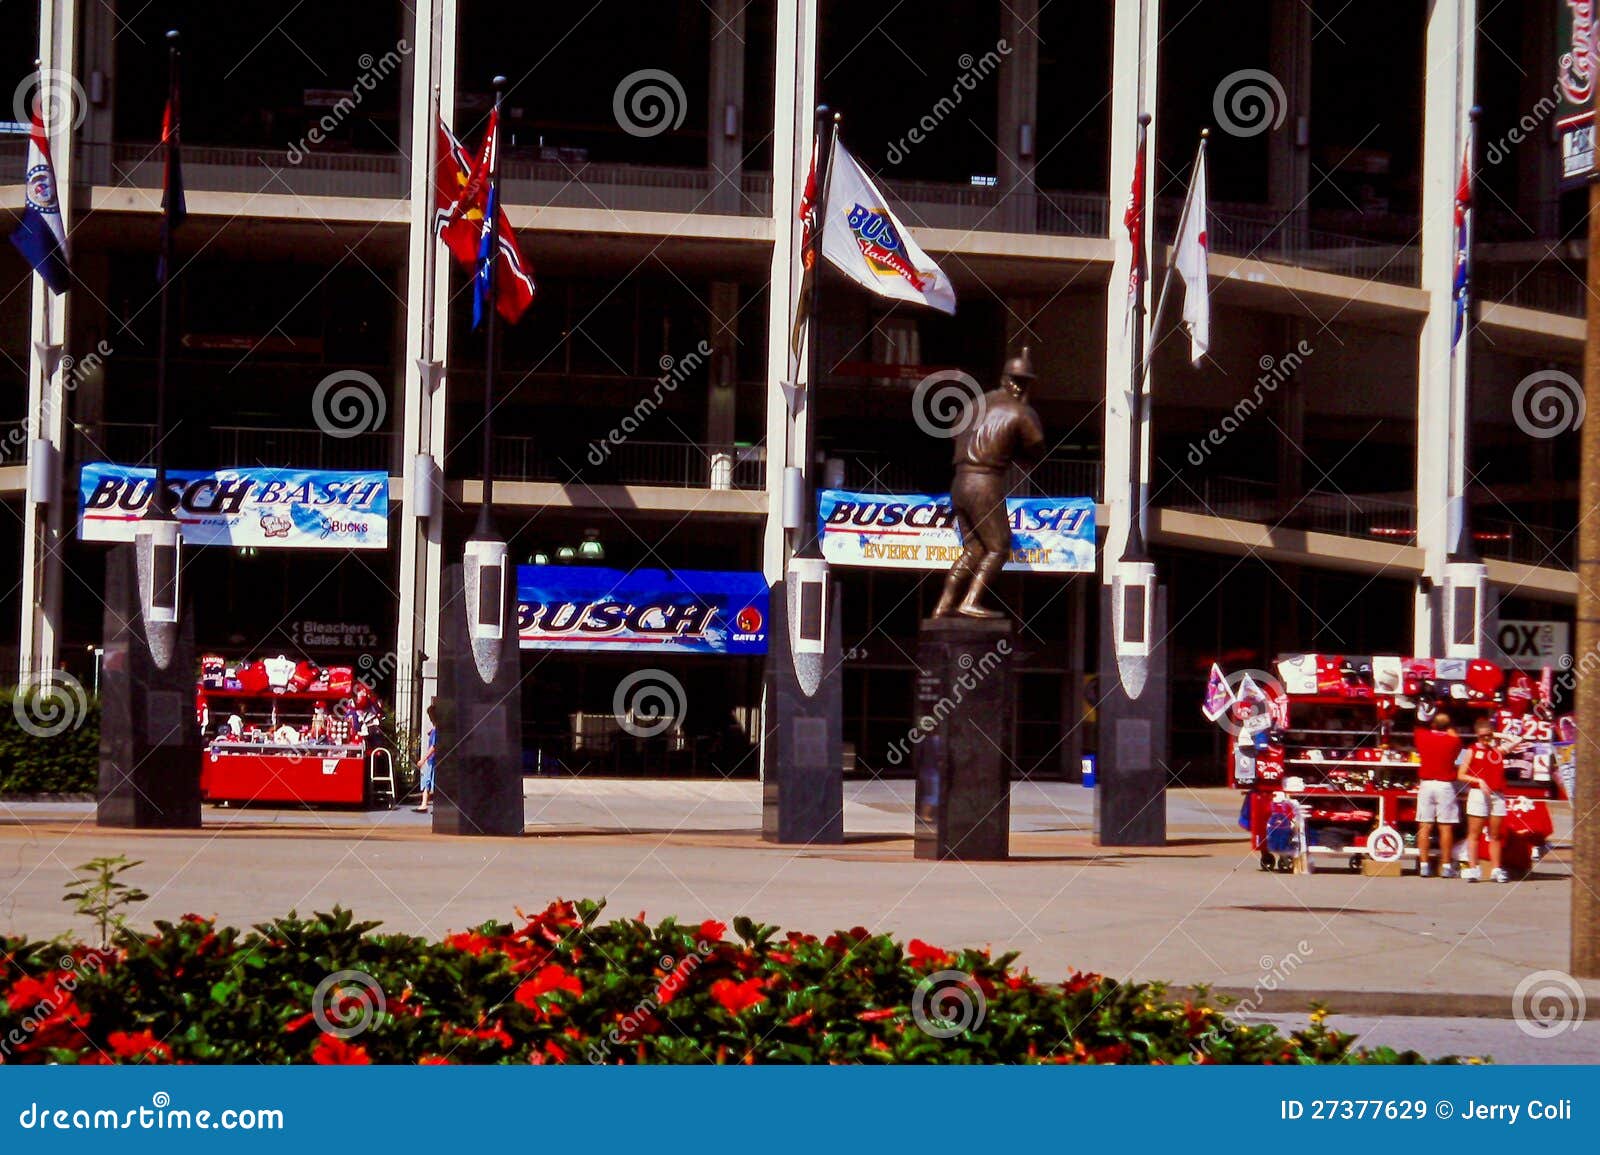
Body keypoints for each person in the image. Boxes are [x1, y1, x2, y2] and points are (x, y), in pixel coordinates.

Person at [1412, 703, 1462, 878]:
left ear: (1433, 725)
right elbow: (1455, 738)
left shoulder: (1423, 737)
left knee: (1424, 825)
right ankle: (1446, 866)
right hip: (1445, 785)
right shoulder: (1454, 741)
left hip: (1426, 784)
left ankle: (1424, 865)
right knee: (1445, 827)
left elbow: (1420, 725)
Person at [1459, 717, 1511, 883]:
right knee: (1474, 833)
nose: (1485, 739)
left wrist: (1496, 734)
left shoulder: (1497, 751)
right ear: (1477, 736)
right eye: (1482, 736)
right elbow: (1461, 774)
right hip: (1478, 794)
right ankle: (1473, 867)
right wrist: (1478, 780)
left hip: (1497, 794)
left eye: (1488, 735)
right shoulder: (1472, 750)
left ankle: (1496, 868)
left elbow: (1517, 740)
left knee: (1495, 834)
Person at [415, 702, 438, 813]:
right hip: (432, 760)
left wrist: (423, 759)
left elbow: (434, 746)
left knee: (428, 782)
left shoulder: (436, 732)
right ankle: (425, 804)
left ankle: (425, 804)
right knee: (428, 782)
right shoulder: (435, 731)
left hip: (432, 760)